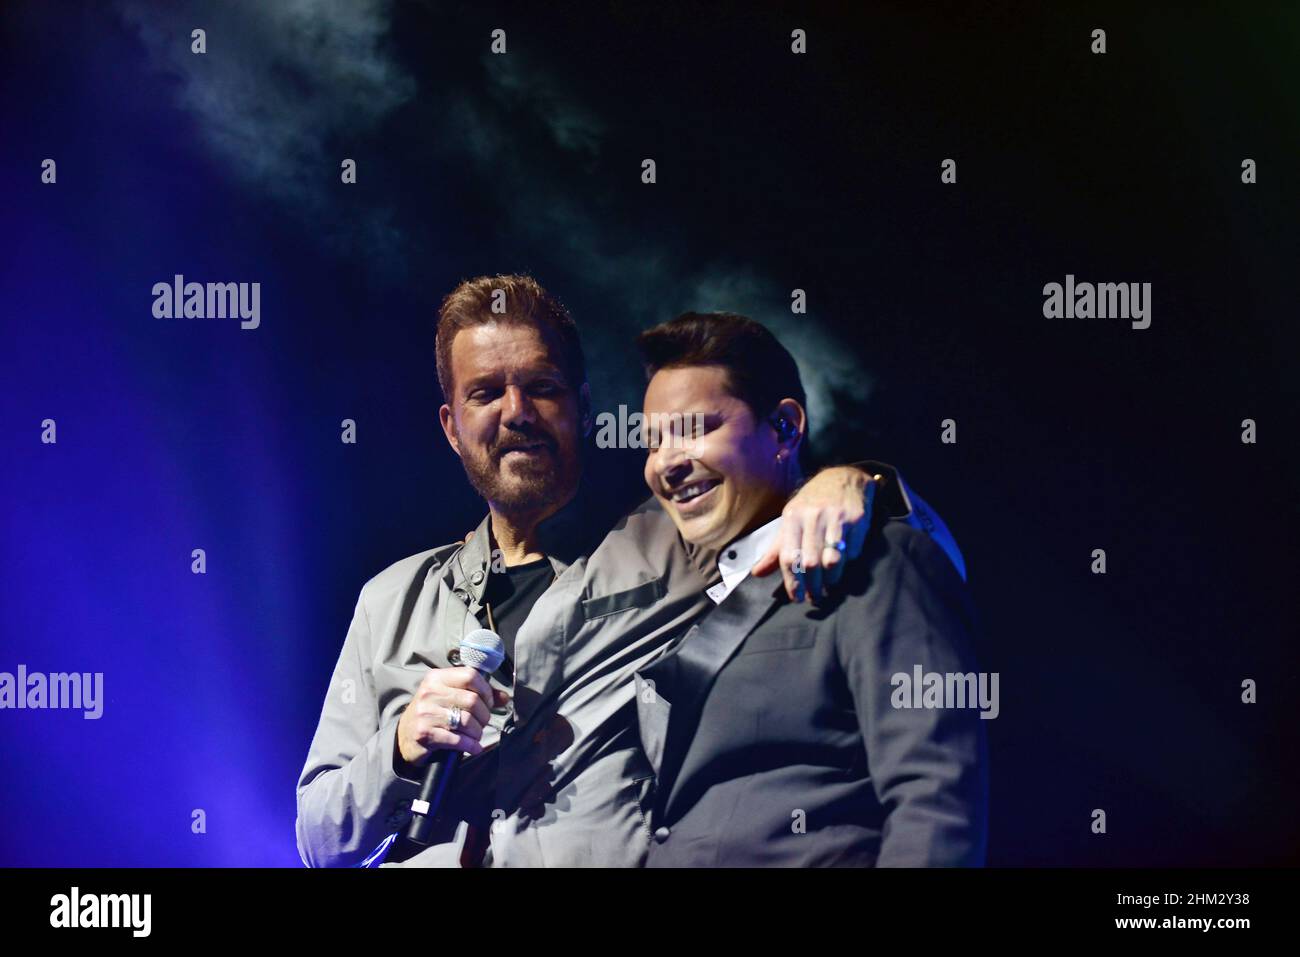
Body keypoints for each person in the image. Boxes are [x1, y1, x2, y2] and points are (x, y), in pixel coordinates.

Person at [295, 275, 957, 866]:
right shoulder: (392, 600)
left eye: (542, 387)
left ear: (583, 406)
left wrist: (859, 482)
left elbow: (905, 562)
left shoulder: (669, 544)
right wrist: (402, 745)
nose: (517, 411)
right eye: (485, 393)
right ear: (451, 425)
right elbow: (319, 839)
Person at [633, 312, 988, 866]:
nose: (668, 463)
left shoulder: (880, 558)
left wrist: (864, 477)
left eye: (696, 429)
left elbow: (935, 797)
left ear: (784, 428)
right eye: (654, 443)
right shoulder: (678, 596)